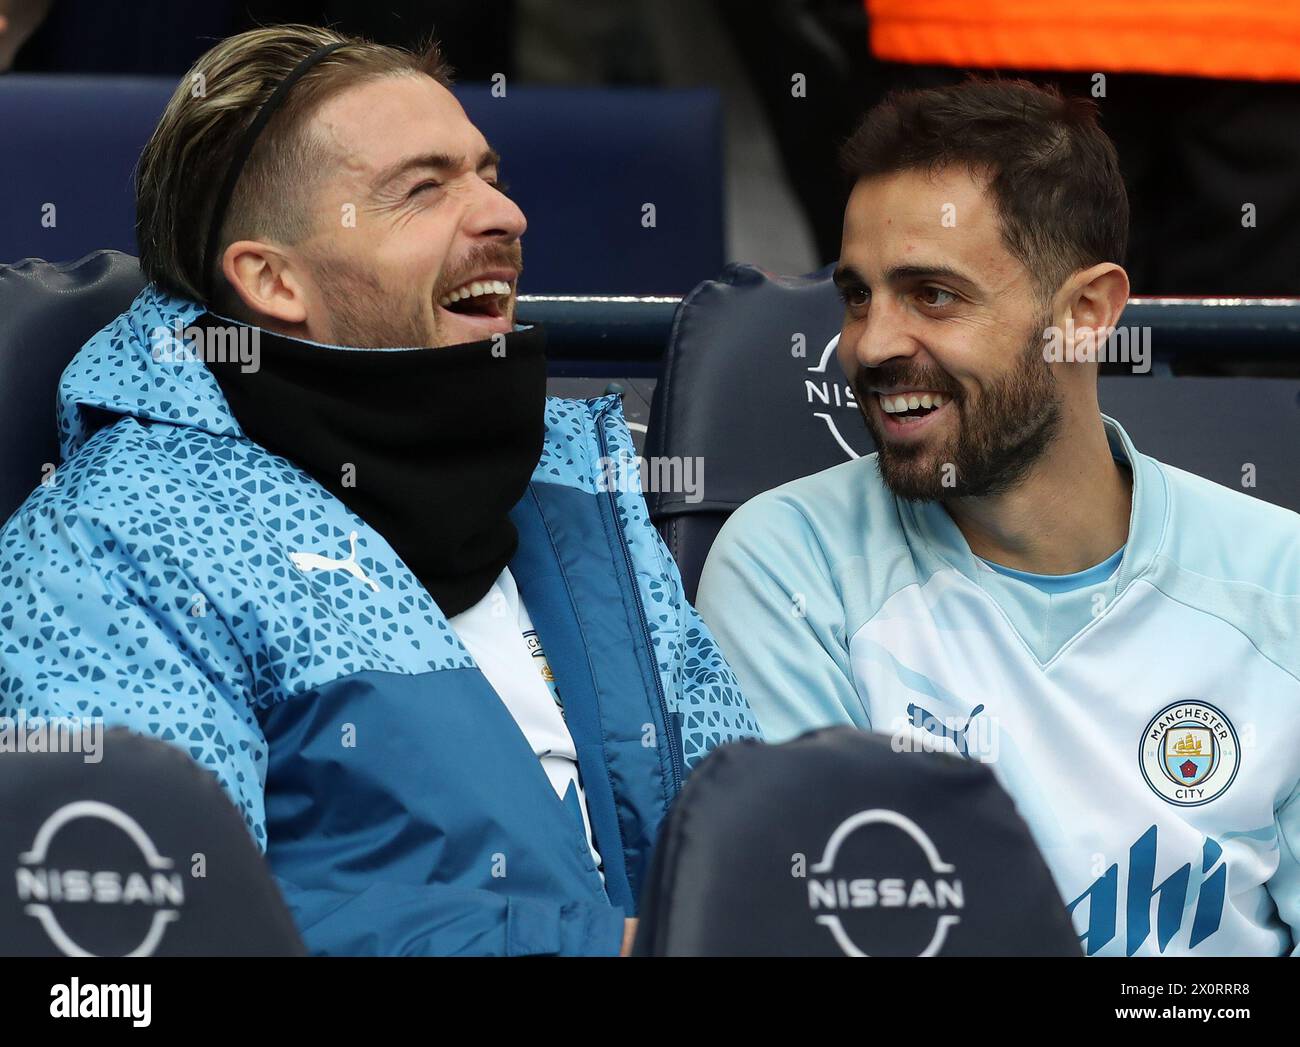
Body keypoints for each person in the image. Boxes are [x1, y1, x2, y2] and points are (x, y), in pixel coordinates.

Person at [0, 24, 757, 956]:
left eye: (490, 173)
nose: (504, 216)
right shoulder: (115, 542)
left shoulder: (576, 479)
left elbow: (742, 837)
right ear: (273, 279)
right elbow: (151, 929)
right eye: (424, 190)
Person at [695, 78, 1300, 956]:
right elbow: (814, 937)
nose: (870, 343)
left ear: (1084, 315)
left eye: (932, 295)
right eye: (859, 295)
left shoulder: (1280, 578)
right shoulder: (787, 568)